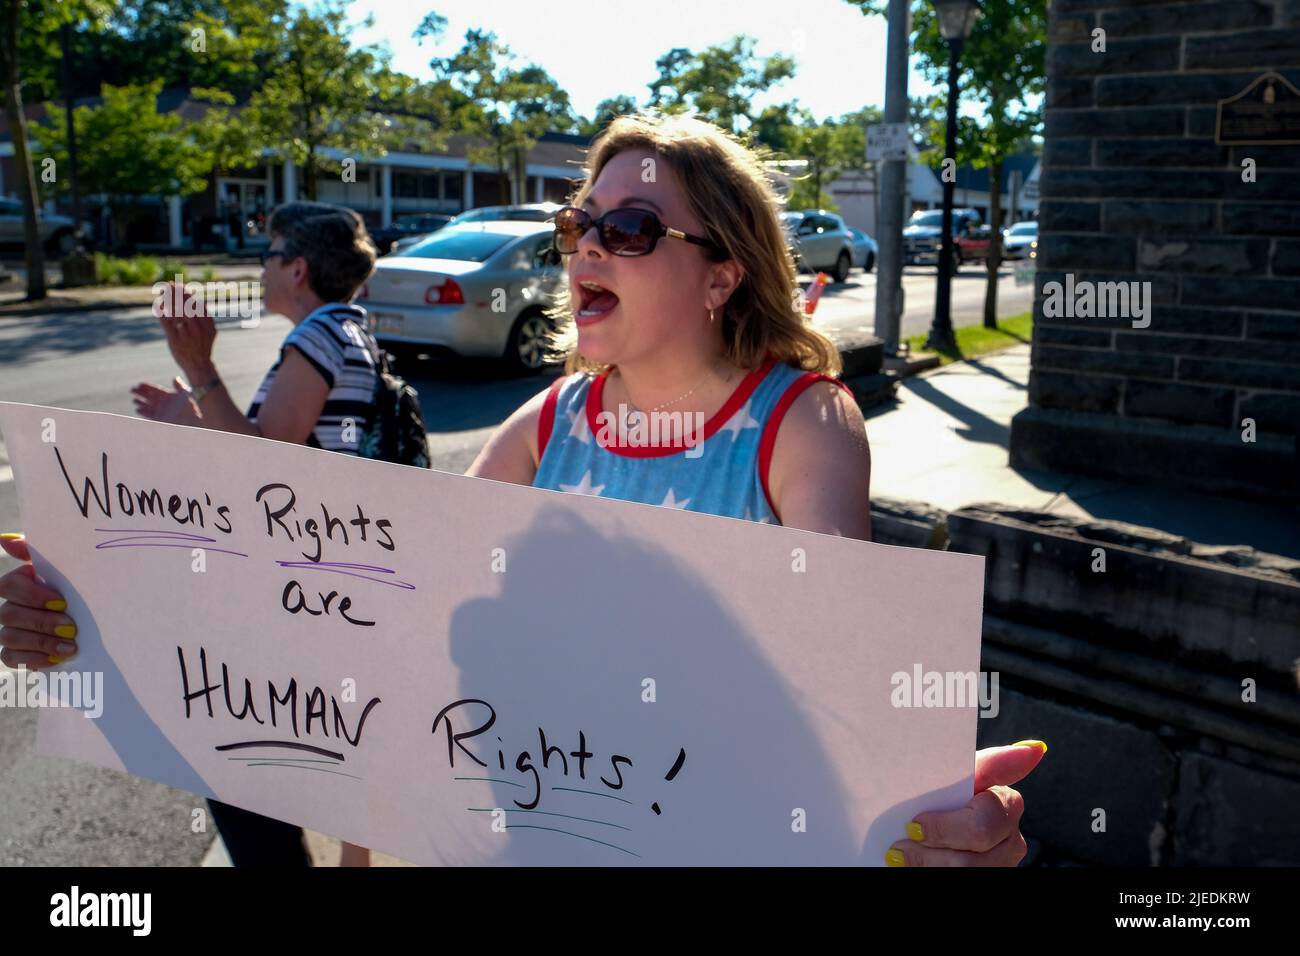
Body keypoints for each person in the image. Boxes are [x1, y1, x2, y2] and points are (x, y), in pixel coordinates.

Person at [460, 111, 1044, 866]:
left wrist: (909, 818)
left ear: (722, 276)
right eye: (582, 224)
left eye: (632, 228)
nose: (591, 247)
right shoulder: (551, 419)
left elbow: (838, 669)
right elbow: (438, 586)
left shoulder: (803, 420)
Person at [0, 200, 381, 867]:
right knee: (296, 763)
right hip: (322, 590)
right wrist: (193, 410)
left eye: (266, 257)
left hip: (296, 598)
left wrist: (200, 371)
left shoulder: (318, 336)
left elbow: (266, 470)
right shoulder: (348, 330)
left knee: (240, 772)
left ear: (296, 268)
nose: (258, 270)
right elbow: (280, 452)